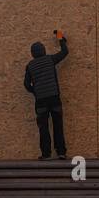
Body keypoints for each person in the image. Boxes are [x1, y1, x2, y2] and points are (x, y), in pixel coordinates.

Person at [24, 31, 69, 160]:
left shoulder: (30, 66)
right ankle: (61, 152)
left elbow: (26, 84)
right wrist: (60, 37)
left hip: (41, 101)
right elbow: (64, 52)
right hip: (54, 98)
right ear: (43, 50)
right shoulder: (50, 60)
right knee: (58, 125)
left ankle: (46, 154)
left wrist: (35, 91)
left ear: (32, 54)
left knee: (43, 127)